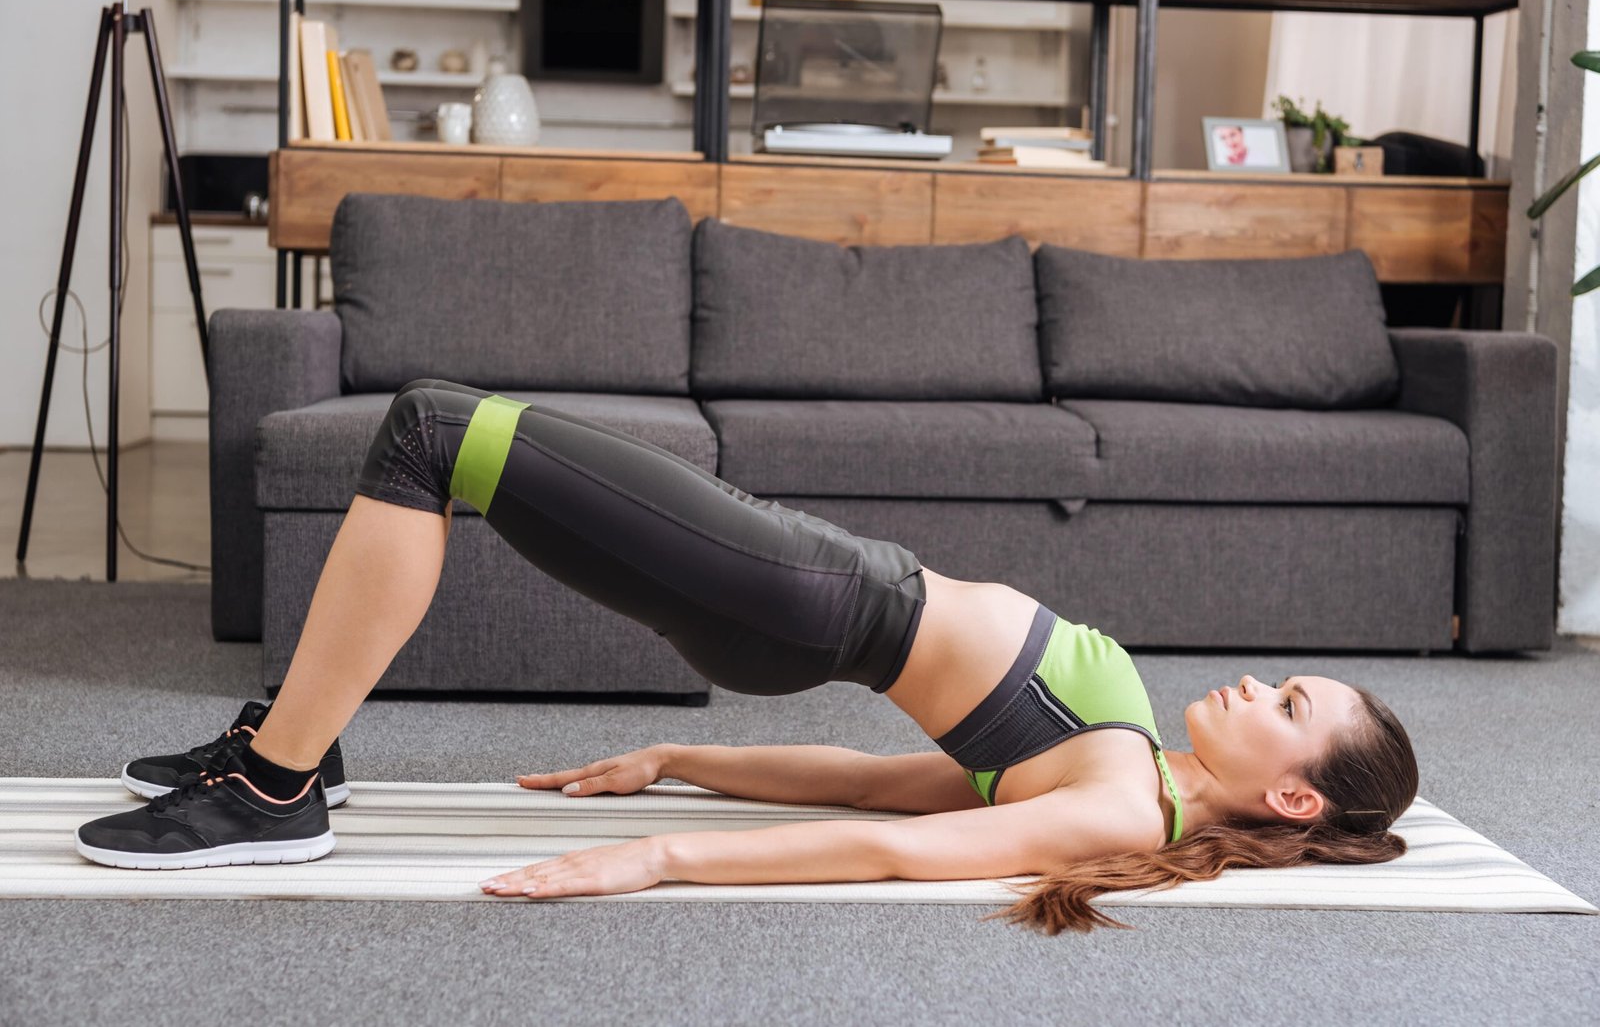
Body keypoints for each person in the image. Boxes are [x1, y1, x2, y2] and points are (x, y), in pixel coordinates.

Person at [76, 380, 1418, 934]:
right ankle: (293, 748)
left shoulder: (1122, 809)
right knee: (444, 452)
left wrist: (661, 857)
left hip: (805, 595)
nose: (1260, 684)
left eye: (1289, 703)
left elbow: (895, 854)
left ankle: (275, 786)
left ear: (1295, 793)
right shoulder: (1141, 785)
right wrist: (679, 757)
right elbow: (881, 785)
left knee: (434, 432)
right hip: (799, 601)